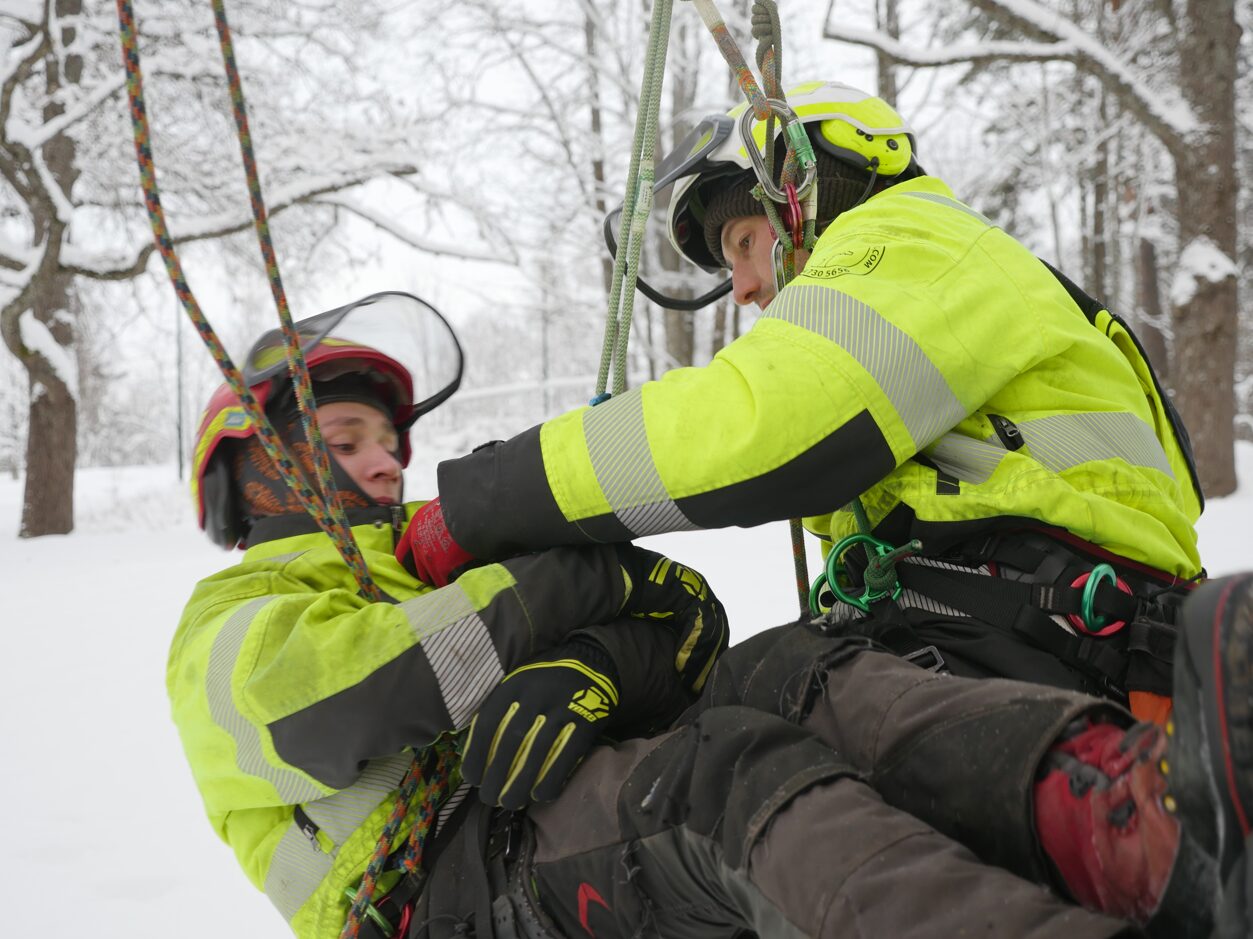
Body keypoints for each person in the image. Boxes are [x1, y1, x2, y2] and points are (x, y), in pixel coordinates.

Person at [170, 299, 1246, 939]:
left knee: (788, 666)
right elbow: (354, 700)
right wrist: (577, 593)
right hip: (436, 898)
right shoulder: (231, 620)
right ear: (253, 468)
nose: (384, 460)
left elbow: (685, 623)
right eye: (348, 435)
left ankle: (1133, 818)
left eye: (391, 441)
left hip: (546, 824)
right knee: (715, 777)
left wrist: (585, 668)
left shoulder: (427, 567)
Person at [400, 81, 1204, 726]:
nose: (742, 287)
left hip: (1035, 650)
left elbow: (761, 424)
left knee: (738, 753)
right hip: (1053, 643)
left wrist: (487, 498)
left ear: (814, 189)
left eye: (745, 243)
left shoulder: (919, 241)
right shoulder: (963, 286)